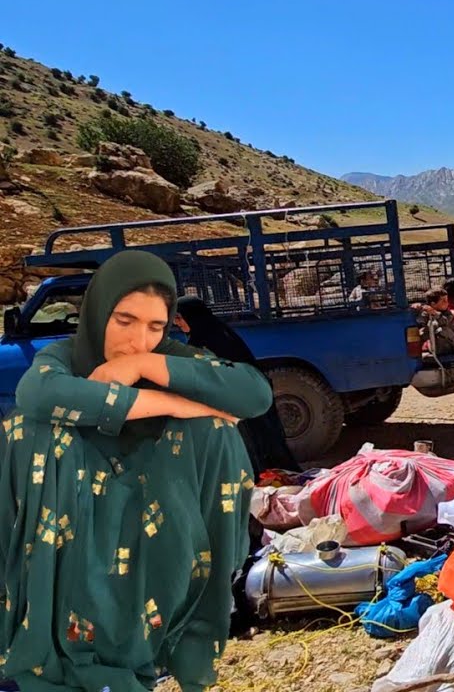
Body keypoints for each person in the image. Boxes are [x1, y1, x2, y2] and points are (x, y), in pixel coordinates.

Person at [0, 250, 274, 692]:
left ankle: (172, 632)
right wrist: (169, 403)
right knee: (30, 430)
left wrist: (144, 366)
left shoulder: (166, 357)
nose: (138, 339)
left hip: (151, 513)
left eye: (155, 326)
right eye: (124, 321)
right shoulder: (65, 355)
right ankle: (55, 632)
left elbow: (254, 394)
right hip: (72, 517)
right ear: (97, 311)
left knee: (214, 431)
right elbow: (37, 394)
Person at [175, 296, 298, 475]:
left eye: (179, 318)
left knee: (258, 447)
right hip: (239, 401)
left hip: (242, 402)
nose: (177, 323)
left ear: (192, 316)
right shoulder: (211, 334)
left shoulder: (209, 340)